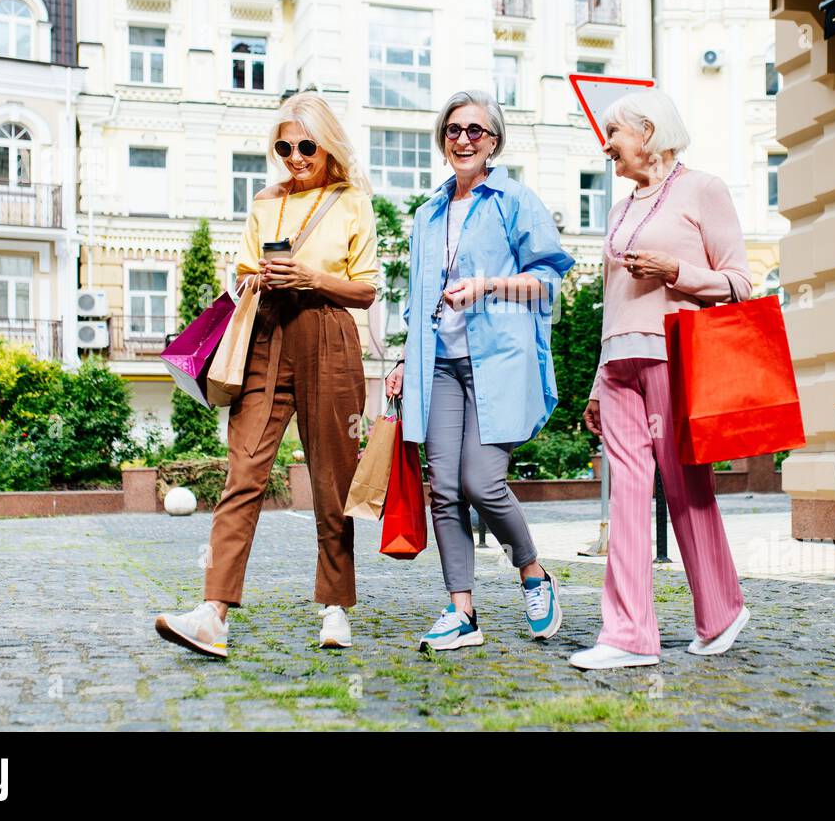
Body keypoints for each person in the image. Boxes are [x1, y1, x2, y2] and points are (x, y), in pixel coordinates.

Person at [156, 93, 380, 658]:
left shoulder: (351, 201)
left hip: (328, 332)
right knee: (244, 470)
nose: (295, 157)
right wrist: (255, 278)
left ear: (327, 144)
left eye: (306, 145)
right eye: (284, 146)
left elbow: (367, 287)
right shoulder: (264, 202)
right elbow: (243, 268)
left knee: (333, 476)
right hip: (265, 333)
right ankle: (213, 612)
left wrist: (311, 277)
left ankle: (335, 605)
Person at [569, 88, 752, 671]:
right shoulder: (620, 210)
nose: (607, 144)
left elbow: (740, 284)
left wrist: (676, 271)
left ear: (647, 132)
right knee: (626, 491)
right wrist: (598, 382)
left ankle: (721, 611)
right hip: (619, 363)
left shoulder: (704, 189)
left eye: (614, 132)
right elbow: (610, 303)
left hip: (675, 355)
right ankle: (627, 635)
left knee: (685, 487)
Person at [384, 90, 574, 651]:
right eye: (453, 130)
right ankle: (461, 611)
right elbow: (418, 299)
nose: (463, 139)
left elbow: (550, 286)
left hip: (498, 362)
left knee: (481, 482)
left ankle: (533, 573)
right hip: (437, 364)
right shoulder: (427, 213)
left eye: (475, 130)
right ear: (443, 140)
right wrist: (402, 358)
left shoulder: (514, 200)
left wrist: (488, 287)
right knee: (443, 487)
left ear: (494, 141)